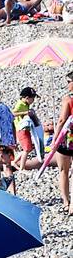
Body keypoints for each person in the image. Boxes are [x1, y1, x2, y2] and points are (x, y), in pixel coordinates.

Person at [12, 87, 43, 170]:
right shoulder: (20, 104)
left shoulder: (26, 104)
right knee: (26, 148)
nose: (33, 100)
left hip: (26, 129)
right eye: (32, 98)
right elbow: (13, 113)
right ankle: (21, 168)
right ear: (26, 98)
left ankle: (14, 162)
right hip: (21, 129)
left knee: (28, 148)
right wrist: (26, 112)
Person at [56, 73, 73, 213]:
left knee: (63, 171)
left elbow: (62, 120)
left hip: (67, 139)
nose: (67, 84)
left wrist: (55, 138)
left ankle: (66, 202)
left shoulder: (68, 99)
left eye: (68, 81)